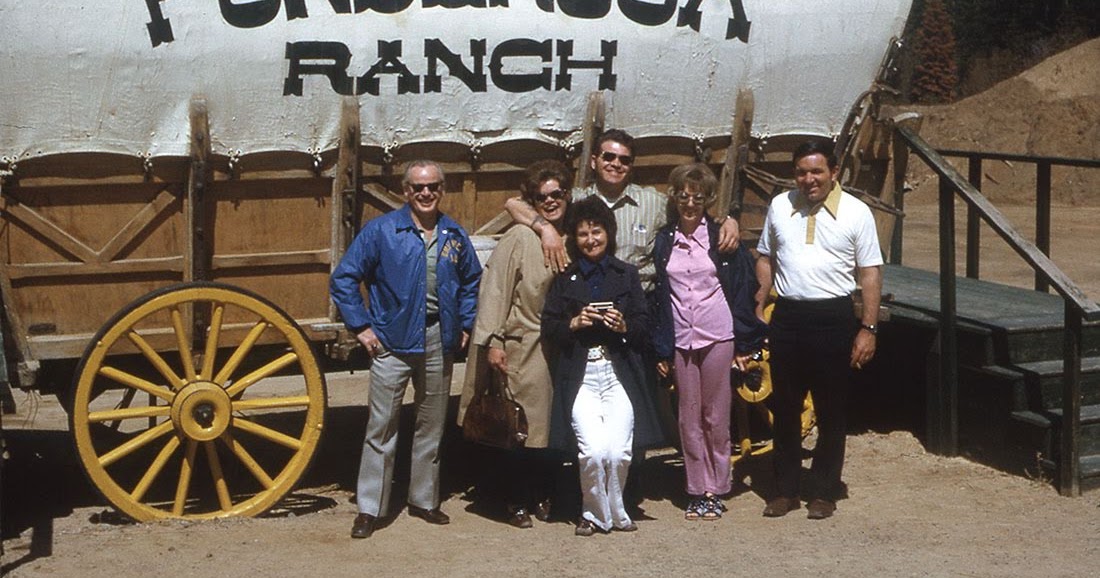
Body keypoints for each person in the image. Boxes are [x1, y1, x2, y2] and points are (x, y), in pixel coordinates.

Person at [331, 160, 483, 539]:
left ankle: (423, 499)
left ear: (442, 190)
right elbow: (345, 278)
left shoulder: (452, 234)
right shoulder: (382, 231)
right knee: (381, 427)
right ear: (405, 191)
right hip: (392, 342)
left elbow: (472, 280)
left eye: (433, 186)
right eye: (418, 187)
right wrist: (362, 327)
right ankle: (370, 508)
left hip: (437, 340)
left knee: (430, 425)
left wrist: (465, 324)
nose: (426, 193)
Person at [754, 140, 883, 520]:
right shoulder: (780, 205)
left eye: (817, 171)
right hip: (789, 317)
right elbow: (766, 258)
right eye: (801, 172)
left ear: (834, 172)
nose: (809, 179)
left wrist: (868, 328)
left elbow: (870, 273)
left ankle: (824, 492)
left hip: (833, 318)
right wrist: (759, 308)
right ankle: (785, 491)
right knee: (786, 407)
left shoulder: (857, 213)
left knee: (831, 411)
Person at [457, 160, 573, 528]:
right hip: (525, 343)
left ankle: (544, 493)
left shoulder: (576, 232)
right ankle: (514, 499)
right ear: (533, 201)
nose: (551, 201)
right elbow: (495, 292)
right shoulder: (520, 238)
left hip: (563, 345)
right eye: (542, 197)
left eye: (558, 194)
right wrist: (492, 340)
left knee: (554, 428)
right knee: (519, 427)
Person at [651, 163, 768, 520]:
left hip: (717, 334)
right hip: (682, 338)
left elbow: (745, 287)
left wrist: (746, 343)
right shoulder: (664, 239)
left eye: (697, 198)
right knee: (687, 416)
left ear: (708, 201)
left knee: (715, 415)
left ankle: (716, 488)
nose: (689, 204)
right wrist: (662, 347)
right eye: (683, 196)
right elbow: (659, 295)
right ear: (674, 198)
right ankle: (695, 489)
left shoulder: (721, 237)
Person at [541, 197, 663, 536]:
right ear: (574, 239)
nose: (591, 240)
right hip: (581, 374)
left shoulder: (626, 274)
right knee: (593, 451)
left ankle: (616, 512)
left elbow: (643, 325)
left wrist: (623, 326)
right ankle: (593, 514)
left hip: (617, 372)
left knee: (620, 452)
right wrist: (575, 323)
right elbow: (549, 327)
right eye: (583, 234)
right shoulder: (565, 277)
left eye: (597, 232)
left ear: (608, 233)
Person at [505, 128, 743, 283]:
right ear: (594, 161)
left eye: (624, 160)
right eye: (608, 157)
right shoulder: (573, 199)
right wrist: (545, 228)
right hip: (587, 299)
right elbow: (513, 204)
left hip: (639, 304)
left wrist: (727, 221)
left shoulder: (654, 203)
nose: (615, 164)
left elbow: (694, 212)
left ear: (631, 166)